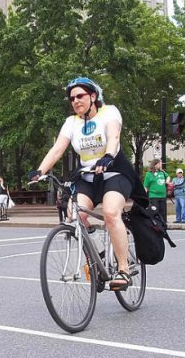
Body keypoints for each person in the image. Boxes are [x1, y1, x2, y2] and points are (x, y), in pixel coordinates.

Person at [28, 76, 137, 291]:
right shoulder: (72, 122)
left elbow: (113, 136)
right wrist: (40, 171)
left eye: (80, 96)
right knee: (74, 215)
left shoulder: (109, 112)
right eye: (72, 98)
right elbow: (57, 149)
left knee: (110, 213)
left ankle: (123, 269)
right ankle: (98, 255)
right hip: (88, 177)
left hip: (114, 174)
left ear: (93, 96)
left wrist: (108, 156)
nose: (76, 101)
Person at [143, 158, 170, 223]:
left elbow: (168, 176)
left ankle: (163, 223)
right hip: (154, 196)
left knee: (163, 212)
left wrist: (167, 181)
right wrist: (144, 196)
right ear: (155, 164)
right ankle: (156, 224)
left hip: (163, 196)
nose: (160, 165)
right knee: (155, 211)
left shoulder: (162, 172)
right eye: (159, 164)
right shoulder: (149, 174)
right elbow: (145, 186)